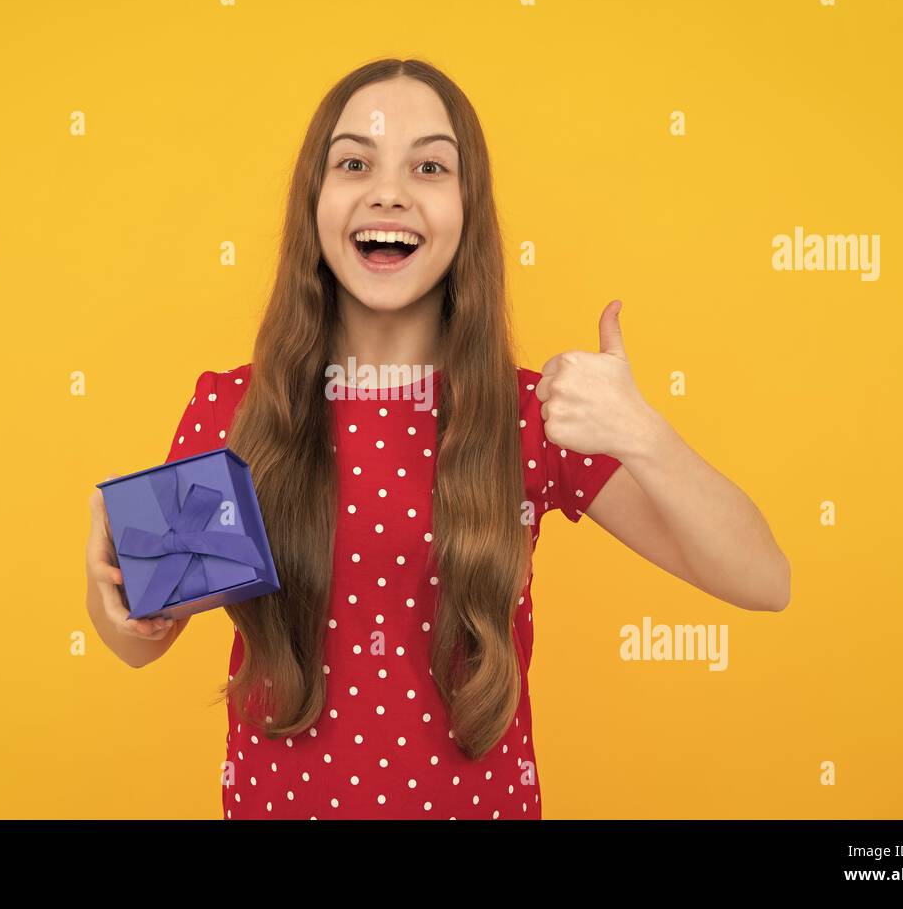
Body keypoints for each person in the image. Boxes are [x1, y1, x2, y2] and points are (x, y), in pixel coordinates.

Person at [86, 57, 791, 820]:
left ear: (468, 209)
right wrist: (114, 600)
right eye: (354, 161)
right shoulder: (236, 409)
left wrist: (647, 436)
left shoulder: (531, 416)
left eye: (429, 166)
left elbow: (763, 581)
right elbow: (139, 641)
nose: (388, 190)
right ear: (314, 203)